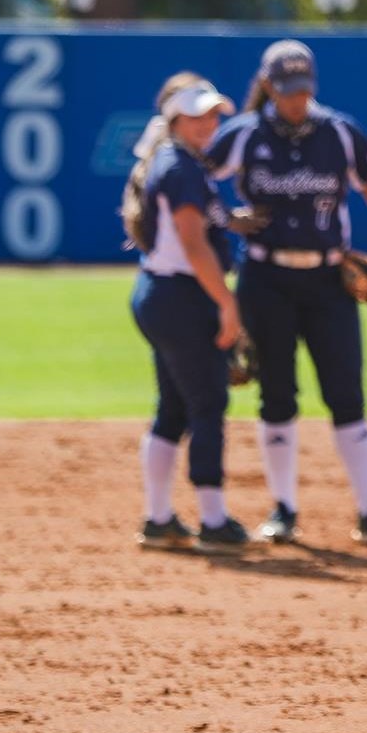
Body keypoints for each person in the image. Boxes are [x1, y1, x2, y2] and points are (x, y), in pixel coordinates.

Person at [206, 39, 367, 548]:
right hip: (266, 279)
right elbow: (190, 181)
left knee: (346, 391)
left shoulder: (339, 134)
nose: (296, 100)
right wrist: (224, 218)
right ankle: (283, 510)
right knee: (276, 392)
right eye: (285, 91)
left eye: (303, 89)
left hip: (328, 281)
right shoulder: (242, 136)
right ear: (267, 87)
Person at [122, 71, 250, 554]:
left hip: (160, 294)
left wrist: (232, 221)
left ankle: (159, 519)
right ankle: (214, 521)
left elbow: (190, 229)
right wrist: (227, 304)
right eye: (196, 115)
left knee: (174, 408)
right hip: (183, 297)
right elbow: (193, 244)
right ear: (175, 118)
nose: (208, 122)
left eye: (213, 114)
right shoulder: (181, 167)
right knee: (207, 405)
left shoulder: (174, 160)